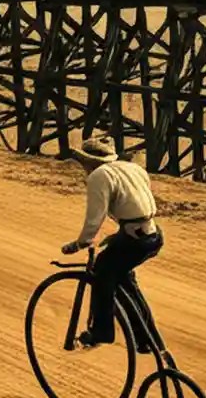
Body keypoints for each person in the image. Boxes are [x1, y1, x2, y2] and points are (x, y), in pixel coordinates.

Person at [60, 134, 162, 353]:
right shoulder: (132, 168)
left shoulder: (99, 176)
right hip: (151, 234)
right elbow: (137, 206)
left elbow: (95, 217)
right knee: (125, 279)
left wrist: (80, 243)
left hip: (134, 237)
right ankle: (146, 338)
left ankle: (102, 331)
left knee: (102, 270)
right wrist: (118, 236)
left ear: (88, 161)